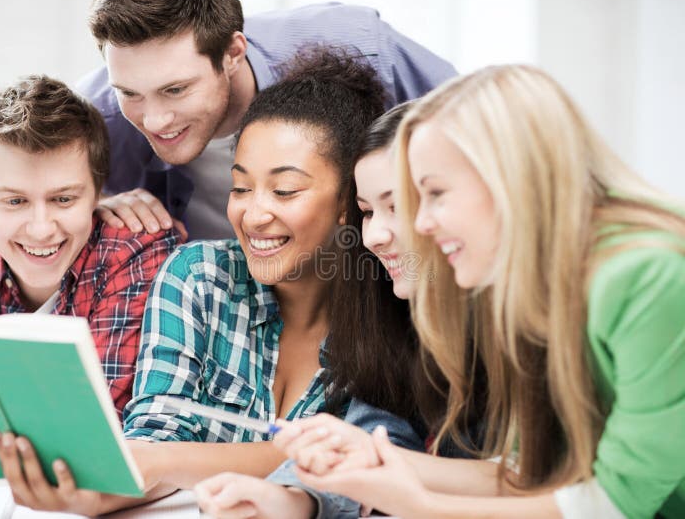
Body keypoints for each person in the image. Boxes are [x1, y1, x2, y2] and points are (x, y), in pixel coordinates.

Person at [258, 65, 685, 518]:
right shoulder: (525, 288)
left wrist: (419, 505)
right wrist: (375, 456)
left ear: (509, 179)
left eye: (433, 195)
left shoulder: (645, 278)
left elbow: (616, 504)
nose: (421, 224)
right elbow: (528, 472)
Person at [0, 47, 387, 515]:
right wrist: (93, 494)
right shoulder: (197, 277)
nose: (254, 214)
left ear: (349, 200)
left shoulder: (390, 314)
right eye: (240, 187)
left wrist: (162, 462)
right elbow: (155, 437)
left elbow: (360, 459)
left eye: (284, 190)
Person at [194, 104, 485, 518]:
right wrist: (291, 500)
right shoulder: (402, 316)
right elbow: (380, 433)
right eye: (368, 212)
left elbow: (544, 485)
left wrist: (414, 496)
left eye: (398, 206)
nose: (376, 236)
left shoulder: (533, 324)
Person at [0, 75, 179, 466]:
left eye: (63, 199)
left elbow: (93, 430)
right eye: (15, 201)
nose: (41, 228)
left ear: (99, 193)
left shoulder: (132, 254)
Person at [79, 0, 456, 240]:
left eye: (175, 90)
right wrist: (88, 206)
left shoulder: (359, 48)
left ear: (232, 54)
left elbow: (483, 141)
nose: (154, 120)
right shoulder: (96, 116)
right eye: (130, 93)